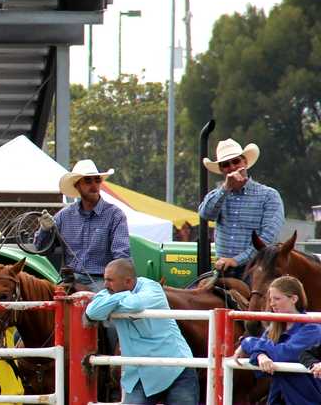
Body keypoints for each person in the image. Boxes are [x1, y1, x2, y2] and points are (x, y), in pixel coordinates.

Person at [85, 258, 198, 405]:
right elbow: (92, 312)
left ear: (128, 282)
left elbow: (135, 305)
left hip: (176, 369)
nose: (105, 285)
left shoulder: (153, 288)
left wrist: (111, 302)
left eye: (110, 280)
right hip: (139, 375)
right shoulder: (109, 292)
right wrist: (120, 296)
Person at [34, 159, 130, 288]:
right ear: (77, 185)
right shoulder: (64, 216)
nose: (94, 185)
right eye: (88, 181)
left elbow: (122, 256)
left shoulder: (115, 215)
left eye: (97, 180)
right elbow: (41, 249)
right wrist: (44, 229)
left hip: (102, 281)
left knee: (98, 304)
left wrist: (117, 284)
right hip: (69, 280)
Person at [198, 138, 284, 279]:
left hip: (256, 272)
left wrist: (236, 260)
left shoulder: (269, 195)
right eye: (226, 164)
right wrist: (226, 188)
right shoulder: (218, 195)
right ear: (221, 170)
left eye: (236, 161)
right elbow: (205, 215)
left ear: (245, 162)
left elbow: (268, 238)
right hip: (223, 271)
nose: (232, 167)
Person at [233, 275, 321, 405]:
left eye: (277, 298)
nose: (272, 303)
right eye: (270, 299)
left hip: (307, 399)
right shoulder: (273, 329)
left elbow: (285, 353)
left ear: (294, 299)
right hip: (280, 398)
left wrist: (247, 342)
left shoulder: (312, 329)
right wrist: (261, 356)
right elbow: (259, 354)